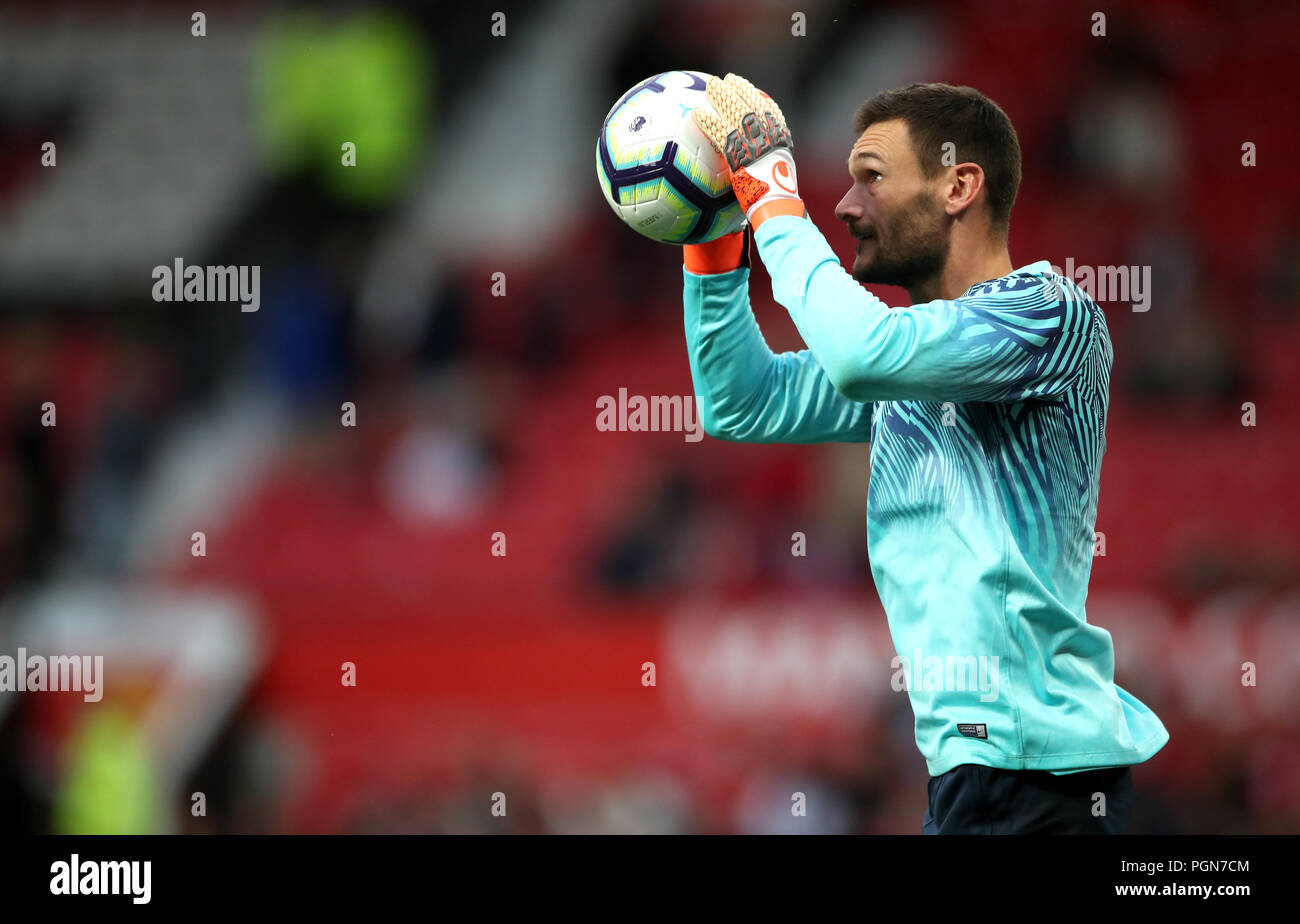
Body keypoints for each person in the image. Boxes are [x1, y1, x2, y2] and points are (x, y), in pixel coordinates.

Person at [682, 77, 1167, 834]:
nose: (844, 206)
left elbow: (861, 354)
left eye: (871, 177)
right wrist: (713, 236)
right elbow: (741, 401)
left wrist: (770, 190)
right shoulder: (908, 368)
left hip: (1044, 782)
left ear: (959, 186)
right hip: (973, 780)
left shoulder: (1049, 318)